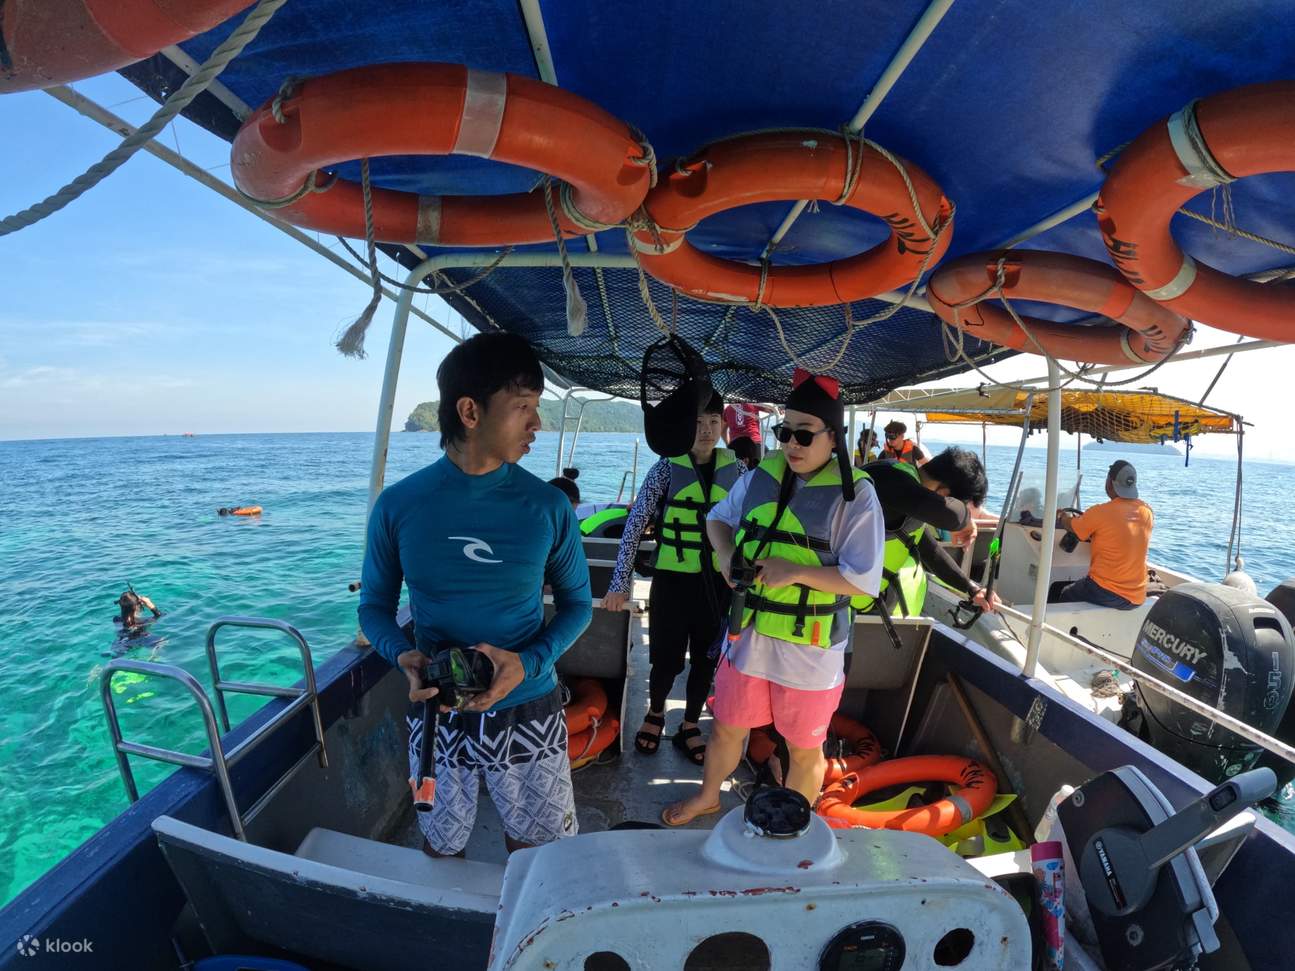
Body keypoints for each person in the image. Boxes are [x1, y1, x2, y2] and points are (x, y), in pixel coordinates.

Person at [359, 332, 593, 857]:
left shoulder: (548, 507)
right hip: (435, 711)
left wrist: (527, 663)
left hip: (528, 706)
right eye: (523, 407)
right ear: (470, 411)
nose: (537, 422)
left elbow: (578, 606)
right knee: (440, 845)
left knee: (540, 852)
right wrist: (402, 656)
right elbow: (373, 607)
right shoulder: (398, 506)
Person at [663, 368, 885, 825]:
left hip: (811, 647)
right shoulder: (761, 475)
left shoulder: (857, 496)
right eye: (784, 433)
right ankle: (708, 796)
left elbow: (863, 581)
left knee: (804, 748)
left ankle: (794, 823)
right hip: (748, 633)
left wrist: (796, 572)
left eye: (804, 435)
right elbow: (717, 520)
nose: (791, 445)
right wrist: (727, 556)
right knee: (726, 727)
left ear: (833, 437)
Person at [602, 391, 742, 766]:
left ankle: (690, 724)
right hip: (672, 581)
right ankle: (656, 713)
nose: (706, 430)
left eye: (713, 422)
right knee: (665, 658)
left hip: (718, 585)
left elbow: (754, 524)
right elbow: (634, 525)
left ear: (723, 426)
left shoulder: (740, 472)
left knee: (706, 660)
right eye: (697, 423)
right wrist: (619, 583)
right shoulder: (665, 469)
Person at [863, 448, 999, 617]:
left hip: (851, 598)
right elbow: (953, 517)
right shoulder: (892, 482)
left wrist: (971, 588)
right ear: (943, 495)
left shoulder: (899, 480)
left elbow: (931, 552)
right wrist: (966, 520)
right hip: (838, 601)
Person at [1056, 461, 1153, 610]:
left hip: (1107, 591)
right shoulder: (1147, 511)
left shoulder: (1100, 512)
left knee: (1065, 593)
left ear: (1109, 482)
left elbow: (1072, 526)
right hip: (1137, 596)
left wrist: (1062, 517)